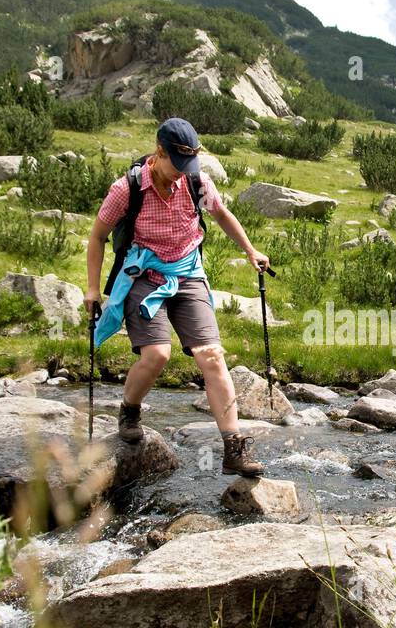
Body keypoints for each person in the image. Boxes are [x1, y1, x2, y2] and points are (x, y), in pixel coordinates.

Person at [84, 117, 269, 477]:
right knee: (157, 355)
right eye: (176, 164)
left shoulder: (195, 182)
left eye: (189, 165)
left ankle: (233, 449)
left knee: (212, 355)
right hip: (144, 274)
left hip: (187, 272)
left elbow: (221, 214)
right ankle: (130, 409)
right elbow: (97, 237)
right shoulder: (127, 188)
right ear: (159, 152)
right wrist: (92, 288)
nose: (182, 173)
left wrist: (250, 250)